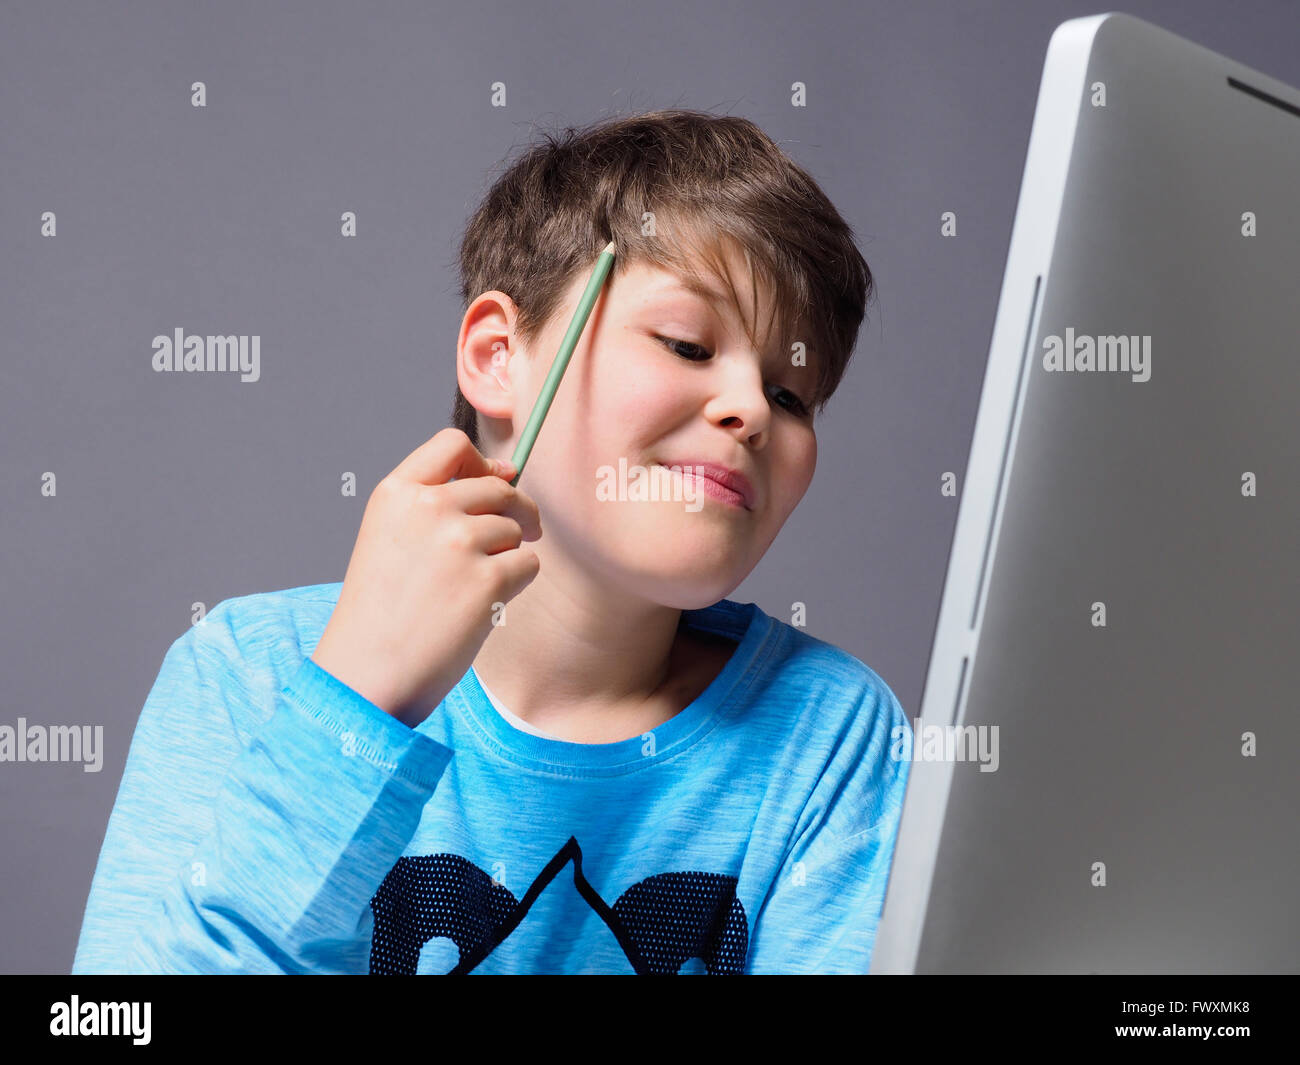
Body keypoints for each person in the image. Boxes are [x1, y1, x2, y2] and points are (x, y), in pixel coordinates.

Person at [72, 109, 911, 974]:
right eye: (688, 343)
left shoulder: (832, 736)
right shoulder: (245, 671)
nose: (749, 410)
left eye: (792, 395)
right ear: (499, 356)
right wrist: (351, 709)